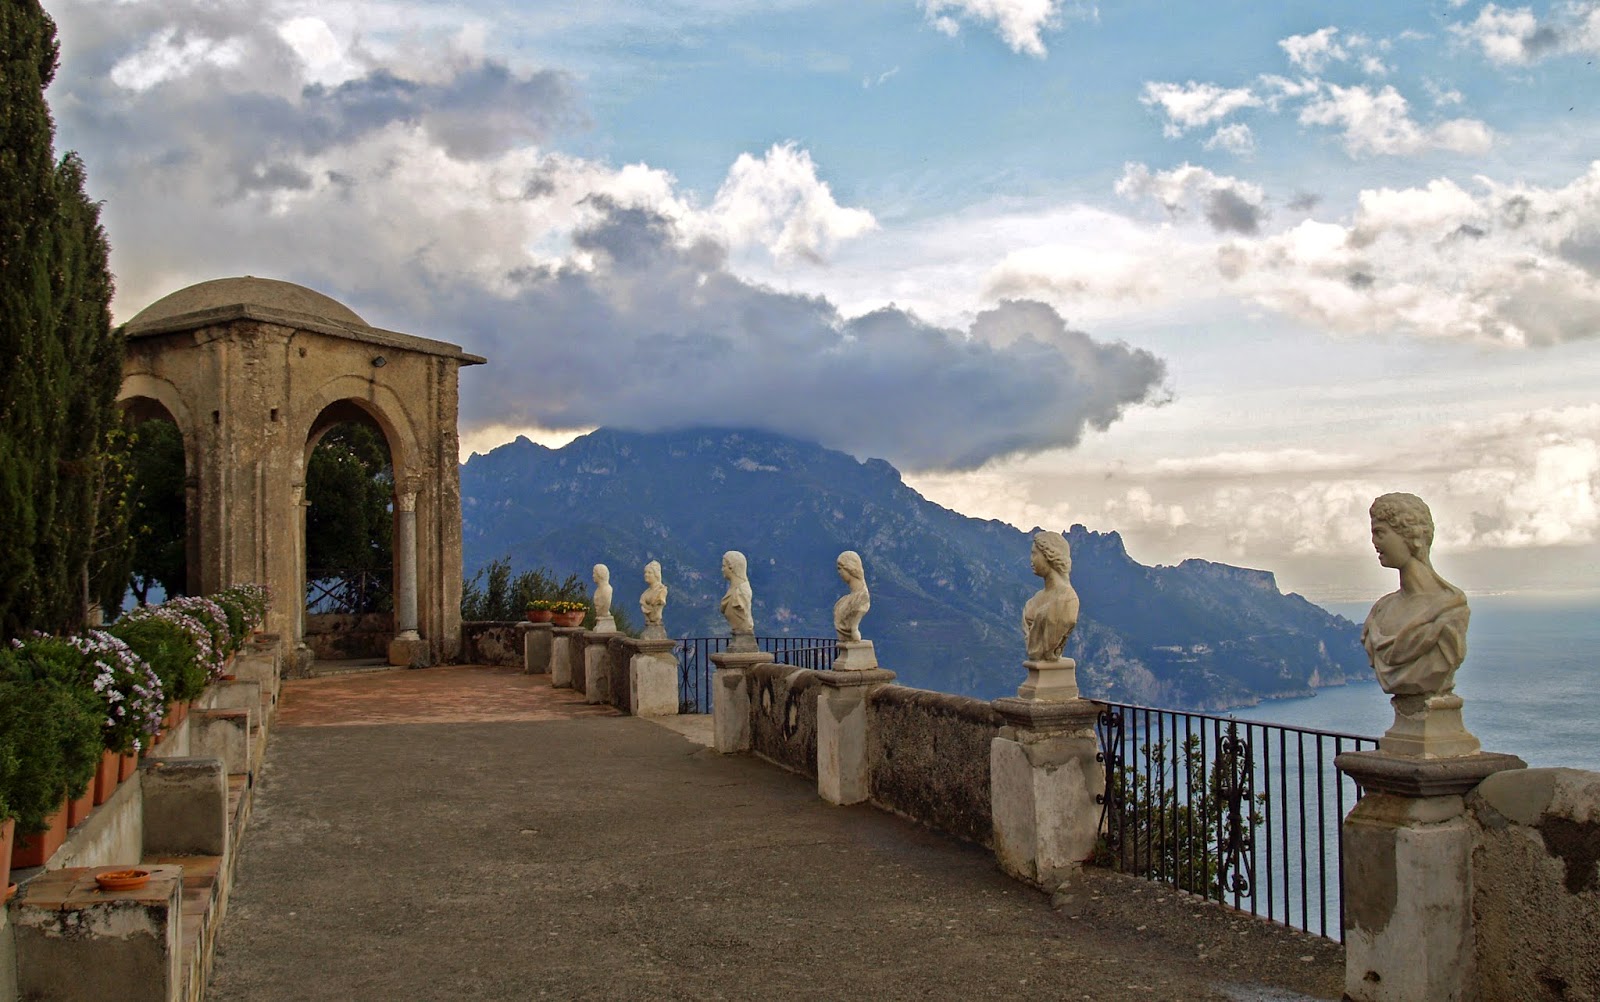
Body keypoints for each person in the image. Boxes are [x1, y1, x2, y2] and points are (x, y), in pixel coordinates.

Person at [1361, 493, 1469, 696]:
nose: (1374, 542)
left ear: (1410, 536)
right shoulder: (1380, 611)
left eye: (1380, 533)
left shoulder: (1451, 610)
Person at [1022, 531, 1079, 662]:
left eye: (1034, 554)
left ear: (1049, 555)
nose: (1031, 559)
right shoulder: (1034, 601)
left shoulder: (1067, 600)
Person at [832, 550, 871, 642]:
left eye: (839, 568)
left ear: (850, 568)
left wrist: (853, 629)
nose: (839, 572)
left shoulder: (862, 598)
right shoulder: (843, 601)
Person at [720, 550, 754, 635]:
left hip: (743, 636)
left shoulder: (742, 591)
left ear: (731, 568)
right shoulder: (734, 590)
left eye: (724, 566)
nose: (722, 569)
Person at [640, 561, 668, 636]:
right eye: (645, 572)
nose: (646, 575)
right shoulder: (645, 593)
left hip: (656, 621)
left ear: (656, 574)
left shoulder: (661, 591)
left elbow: (660, 601)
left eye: (649, 572)